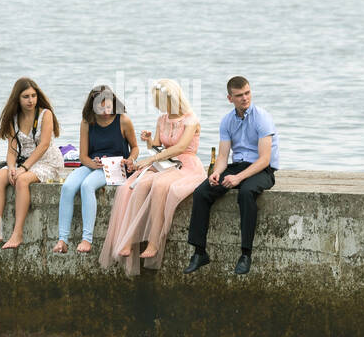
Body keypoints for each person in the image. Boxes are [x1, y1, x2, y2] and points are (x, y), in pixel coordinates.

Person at [100, 79, 204, 276]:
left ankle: (154, 241)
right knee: (136, 185)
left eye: (164, 102)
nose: (161, 107)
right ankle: (130, 237)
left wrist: (151, 158)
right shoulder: (162, 119)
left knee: (159, 185)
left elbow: (180, 147)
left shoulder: (191, 119)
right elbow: (158, 144)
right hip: (165, 163)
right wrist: (149, 141)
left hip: (185, 164)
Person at [183, 76, 276, 276]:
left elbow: (265, 159)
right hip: (238, 166)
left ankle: (245, 254)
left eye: (247, 93)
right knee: (202, 191)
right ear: (230, 98)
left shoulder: (262, 117)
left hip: (262, 170)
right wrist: (217, 172)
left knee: (246, 192)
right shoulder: (227, 120)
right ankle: (199, 252)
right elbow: (224, 156)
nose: (245, 98)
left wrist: (238, 178)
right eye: (239, 95)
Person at [54, 85, 138, 254]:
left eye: (109, 106)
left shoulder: (123, 120)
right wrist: (93, 163)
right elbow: (83, 156)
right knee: (68, 186)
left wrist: (130, 159)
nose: (106, 111)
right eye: (101, 107)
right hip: (93, 165)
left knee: (87, 186)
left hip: (116, 167)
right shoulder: (87, 122)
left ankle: (87, 239)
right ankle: (62, 240)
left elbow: (135, 148)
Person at [0, 78, 63, 249]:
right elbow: (12, 149)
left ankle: (17, 233)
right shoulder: (13, 118)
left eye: (33, 96)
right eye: (26, 96)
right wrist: (12, 167)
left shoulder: (45, 114)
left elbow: (44, 145)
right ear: (17, 99)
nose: (31, 100)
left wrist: (23, 169)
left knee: (22, 180)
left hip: (47, 161)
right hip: (22, 161)